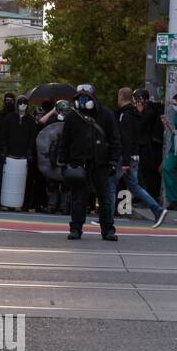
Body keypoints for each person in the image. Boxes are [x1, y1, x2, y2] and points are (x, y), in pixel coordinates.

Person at [58, 85, 121, 241]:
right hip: (78, 164)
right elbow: (64, 140)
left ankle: (108, 230)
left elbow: (115, 139)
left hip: (101, 164)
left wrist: (113, 161)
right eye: (80, 98)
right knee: (78, 198)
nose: (82, 101)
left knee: (104, 198)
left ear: (93, 99)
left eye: (86, 98)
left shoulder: (105, 115)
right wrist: (63, 162)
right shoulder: (73, 117)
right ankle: (76, 229)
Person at [117, 88, 167, 227]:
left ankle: (106, 216)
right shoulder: (135, 113)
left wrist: (140, 112)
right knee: (132, 184)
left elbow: (133, 133)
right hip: (136, 151)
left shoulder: (146, 112)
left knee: (113, 183)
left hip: (140, 151)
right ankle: (156, 209)